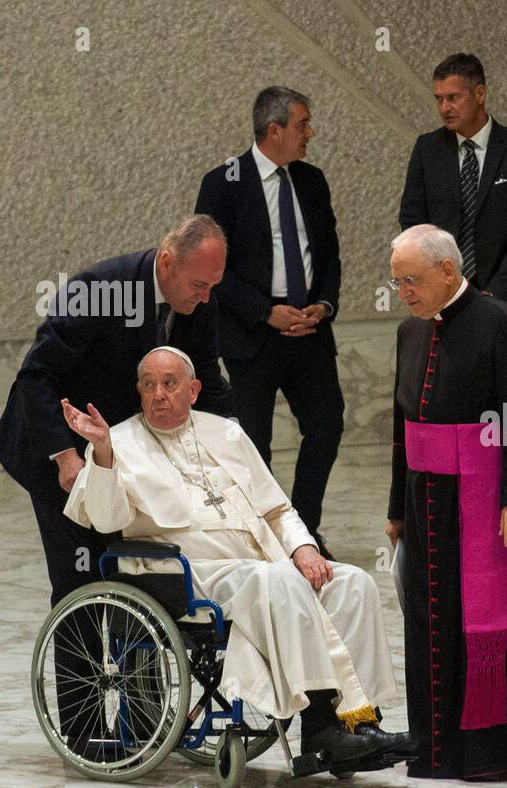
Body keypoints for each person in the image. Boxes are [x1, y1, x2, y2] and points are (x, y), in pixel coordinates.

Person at [61, 346, 410, 770]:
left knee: (352, 583)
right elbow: (103, 518)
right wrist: (100, 451)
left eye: (169, 384)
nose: (158, 394)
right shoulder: (118, 442)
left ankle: (360, 722)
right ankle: (320, 729)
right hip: (191, 573)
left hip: (260, 563)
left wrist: (303, 548)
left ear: (193, 390)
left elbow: (276, 507)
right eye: (148, 385)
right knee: (279, 582)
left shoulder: (224, 432)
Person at [0, 214, 236, 607]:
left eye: (212, 286)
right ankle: (81, 670)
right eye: (199, 285)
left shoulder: (199, 298)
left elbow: (204, 375)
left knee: (137, 570)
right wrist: (66, 458)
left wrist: (232, 438)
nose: (205, 297)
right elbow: (35, 377)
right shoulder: (99, 290)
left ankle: (136, 667)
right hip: (59, 448)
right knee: (81, 578)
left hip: (122, 449)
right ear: (168, 262)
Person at [398, 53, 507, 574]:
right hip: (444, 308)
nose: (444, 107)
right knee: (457, 417)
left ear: (480, 92)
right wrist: (443, 294)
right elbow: (414, 222)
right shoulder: (428, 151)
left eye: (453, 97)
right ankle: (461, 518)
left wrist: (491, 302)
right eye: (438, 99)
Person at [386, 225, 507, 780]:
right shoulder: (409, 330)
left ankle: (489, 753)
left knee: (479, 619)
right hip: (424, 496)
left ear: (448, 272)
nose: (403, 290)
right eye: (397, 280)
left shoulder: (503, 322)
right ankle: (432, 749)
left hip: (481, 497)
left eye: (412, 279)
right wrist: (396, 510)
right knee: (428, 619)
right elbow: (403, 426)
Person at [195, 86, 343, 559]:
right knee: (253, 443)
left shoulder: (312, 180)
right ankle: (264, 536)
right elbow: (211, 268)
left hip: (309, 329)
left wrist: (324, 304)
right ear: (274, 129)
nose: (310, 134)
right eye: (303, 124)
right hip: (252, 333)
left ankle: (304, 529)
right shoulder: (223, 183)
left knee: (327, 425)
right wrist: (265, 310)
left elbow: (330, 254)